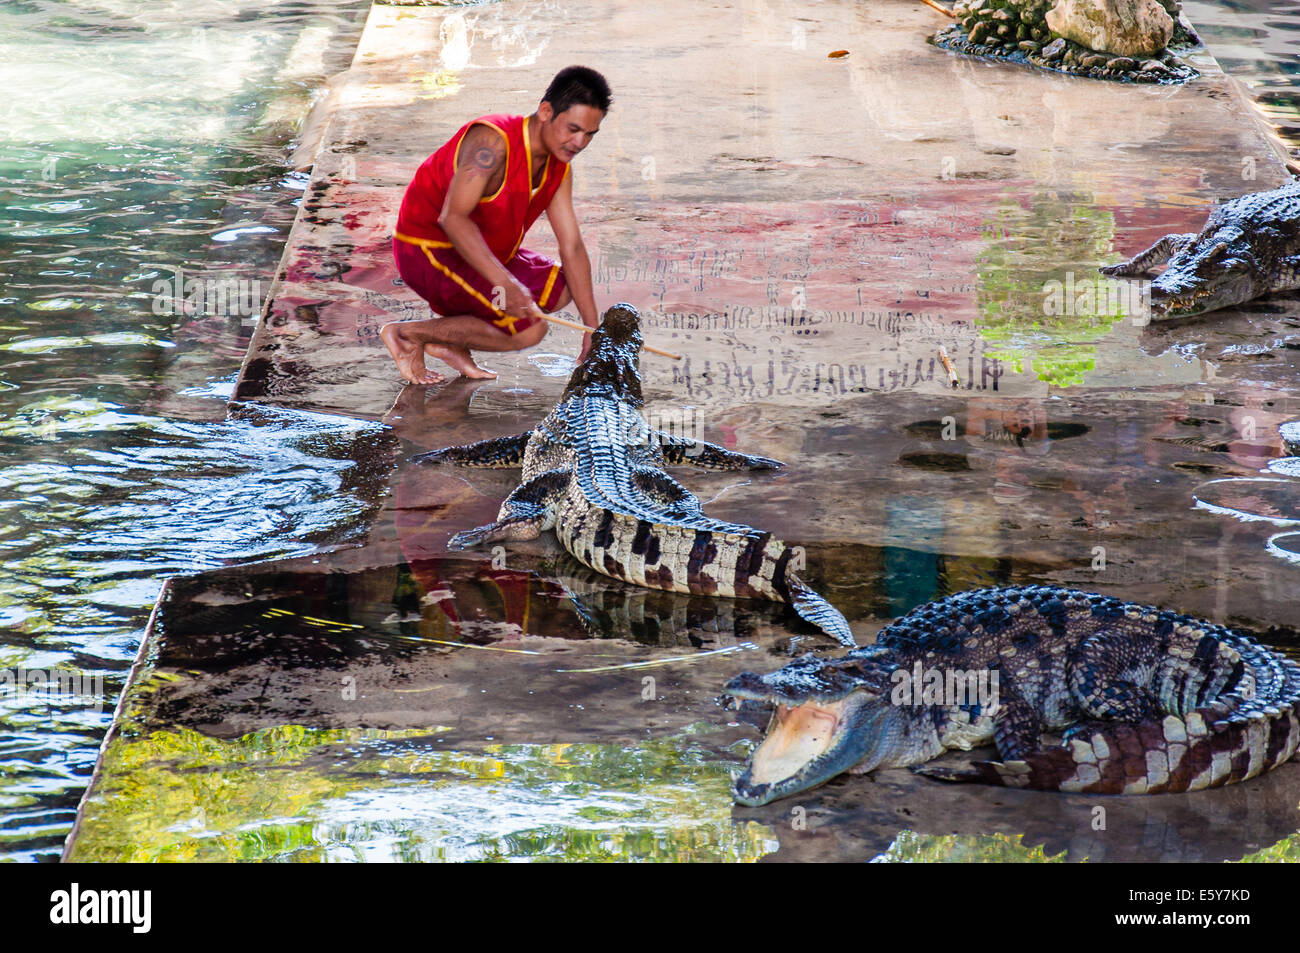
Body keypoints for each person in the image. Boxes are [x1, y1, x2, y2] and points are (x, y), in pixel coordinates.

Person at [381, 65, 609, 384]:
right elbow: (453, 218)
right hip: (428, 250)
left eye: (589, 134)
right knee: (528, 330)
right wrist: (506, 284)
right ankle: (407, 335)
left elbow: (571, 246)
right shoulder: (492, 142)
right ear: (545, 111)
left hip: (481, 253)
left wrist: (591, 329)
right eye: (573, 129)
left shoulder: (558, 169)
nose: (579, 142)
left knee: (563, 287)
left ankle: (449, 340)